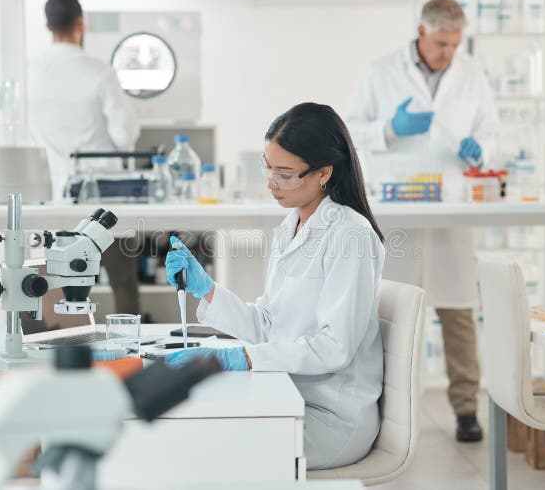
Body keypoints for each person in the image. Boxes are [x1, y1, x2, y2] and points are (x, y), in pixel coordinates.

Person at [163, 103, 385, 469]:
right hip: (287, 391)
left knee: (203, 446)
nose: (270, 182)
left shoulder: (351, 236)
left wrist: (242, 357)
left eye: (285, 173)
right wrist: (207, 290)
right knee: (187, 420)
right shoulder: (290, 228)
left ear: (323, 173)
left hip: (329, 417)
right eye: (268, 167)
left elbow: (335, 348)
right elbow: (269, 325)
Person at [345, 0, 499, 442]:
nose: (448, 54)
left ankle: (467, 410)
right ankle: (391, 409)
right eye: (441, 44)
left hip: (452, 202)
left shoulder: (471, 75)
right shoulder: (380, 71)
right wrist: (390, 129)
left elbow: (491, 129)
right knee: (394, 313)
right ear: (421, 32)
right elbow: (350, 130)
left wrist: (481, 150)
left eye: (455, 44)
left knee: (458, 310)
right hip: (400, 205)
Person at [28, 0, 142, 317]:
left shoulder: (31, 72)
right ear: (81, 24)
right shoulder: (99, 71)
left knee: (48, 278)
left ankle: (49, 346)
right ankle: (130, 352)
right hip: (106, 197)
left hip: (55, 195)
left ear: (47, 25)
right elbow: (125, 135)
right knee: (122, 281)